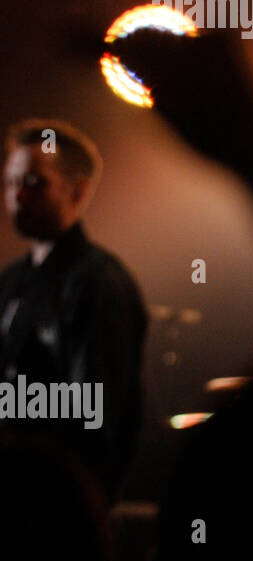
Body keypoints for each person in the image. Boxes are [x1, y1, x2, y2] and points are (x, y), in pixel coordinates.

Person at [0, 118, 146, 503]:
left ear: (77, 192)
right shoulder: (13, 279)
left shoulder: (97, 283)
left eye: (33, 183)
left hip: (55, 510)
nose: (17, 196)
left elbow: (93, 416)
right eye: (11, 182)